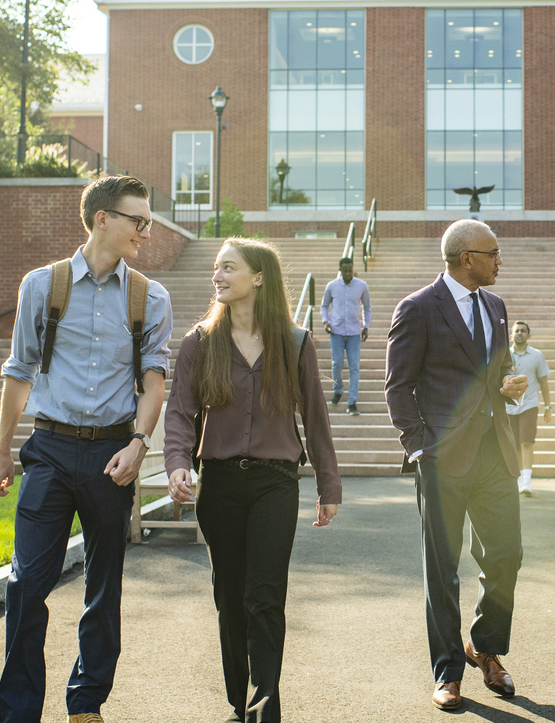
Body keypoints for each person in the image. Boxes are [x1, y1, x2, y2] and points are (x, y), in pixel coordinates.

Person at [0, 175, 175, 723]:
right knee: (27, 583)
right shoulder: (41, 286)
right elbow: (19, 371)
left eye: (148, 222)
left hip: (111, 455)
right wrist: (2, 450)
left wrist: (139, 444)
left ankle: (86, 702)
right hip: (48, 448)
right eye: (138, 221)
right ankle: (19, 713)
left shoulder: (150, 297)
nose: (146, 231)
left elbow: (154, 382)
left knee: (103, 585)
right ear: (102, 219)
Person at [163, 237, 341, 723]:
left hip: (274, 484)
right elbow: (179, 412)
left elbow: (317, 418)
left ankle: (264, 710)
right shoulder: (200, 342)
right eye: (216, 268)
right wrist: (177, 463)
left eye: (228, 267)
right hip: (219, 484)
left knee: (264, 597)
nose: (217, 276)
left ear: (259, 277)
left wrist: (328, 487)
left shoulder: (296, 342)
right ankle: (238, 704)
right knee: (230, 598)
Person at [385, 219, 529, 711]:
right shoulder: (418, 308)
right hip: (442, 458)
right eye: (493, 253)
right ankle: (448, 671)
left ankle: (485, 646)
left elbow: (499, 369)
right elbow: (397, 387)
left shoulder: (496, 306)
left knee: (506, 555)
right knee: (443, 570)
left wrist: (509, 383)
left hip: (496, 452)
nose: (500, 261)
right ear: (467, 258)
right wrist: (419, 447)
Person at [505, 321, 552, 497]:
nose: (519, 333)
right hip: (508, 406)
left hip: (529, 404)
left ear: (529, 335)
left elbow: (544, 382)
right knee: (514, 443)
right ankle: (517, 478)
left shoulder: (537, 355)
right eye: (516, 330)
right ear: (511, 335)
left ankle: (526, 481)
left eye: (523, 331)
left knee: (526, 441)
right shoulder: (504, 355)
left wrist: (548, 406)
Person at [321, 256, 371, 416]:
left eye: (350, 270)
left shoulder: (362, 286)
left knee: (354, 366)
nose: (348, 273)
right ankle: (337, 391)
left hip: (354, 333)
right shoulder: (332, 286)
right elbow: (324, 305)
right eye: (345, 270)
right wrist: (325, 322)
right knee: (336, 363)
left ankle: (352, 402)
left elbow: (367, 307)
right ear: (340, 270)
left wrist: (366, 326)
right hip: (336, 331)